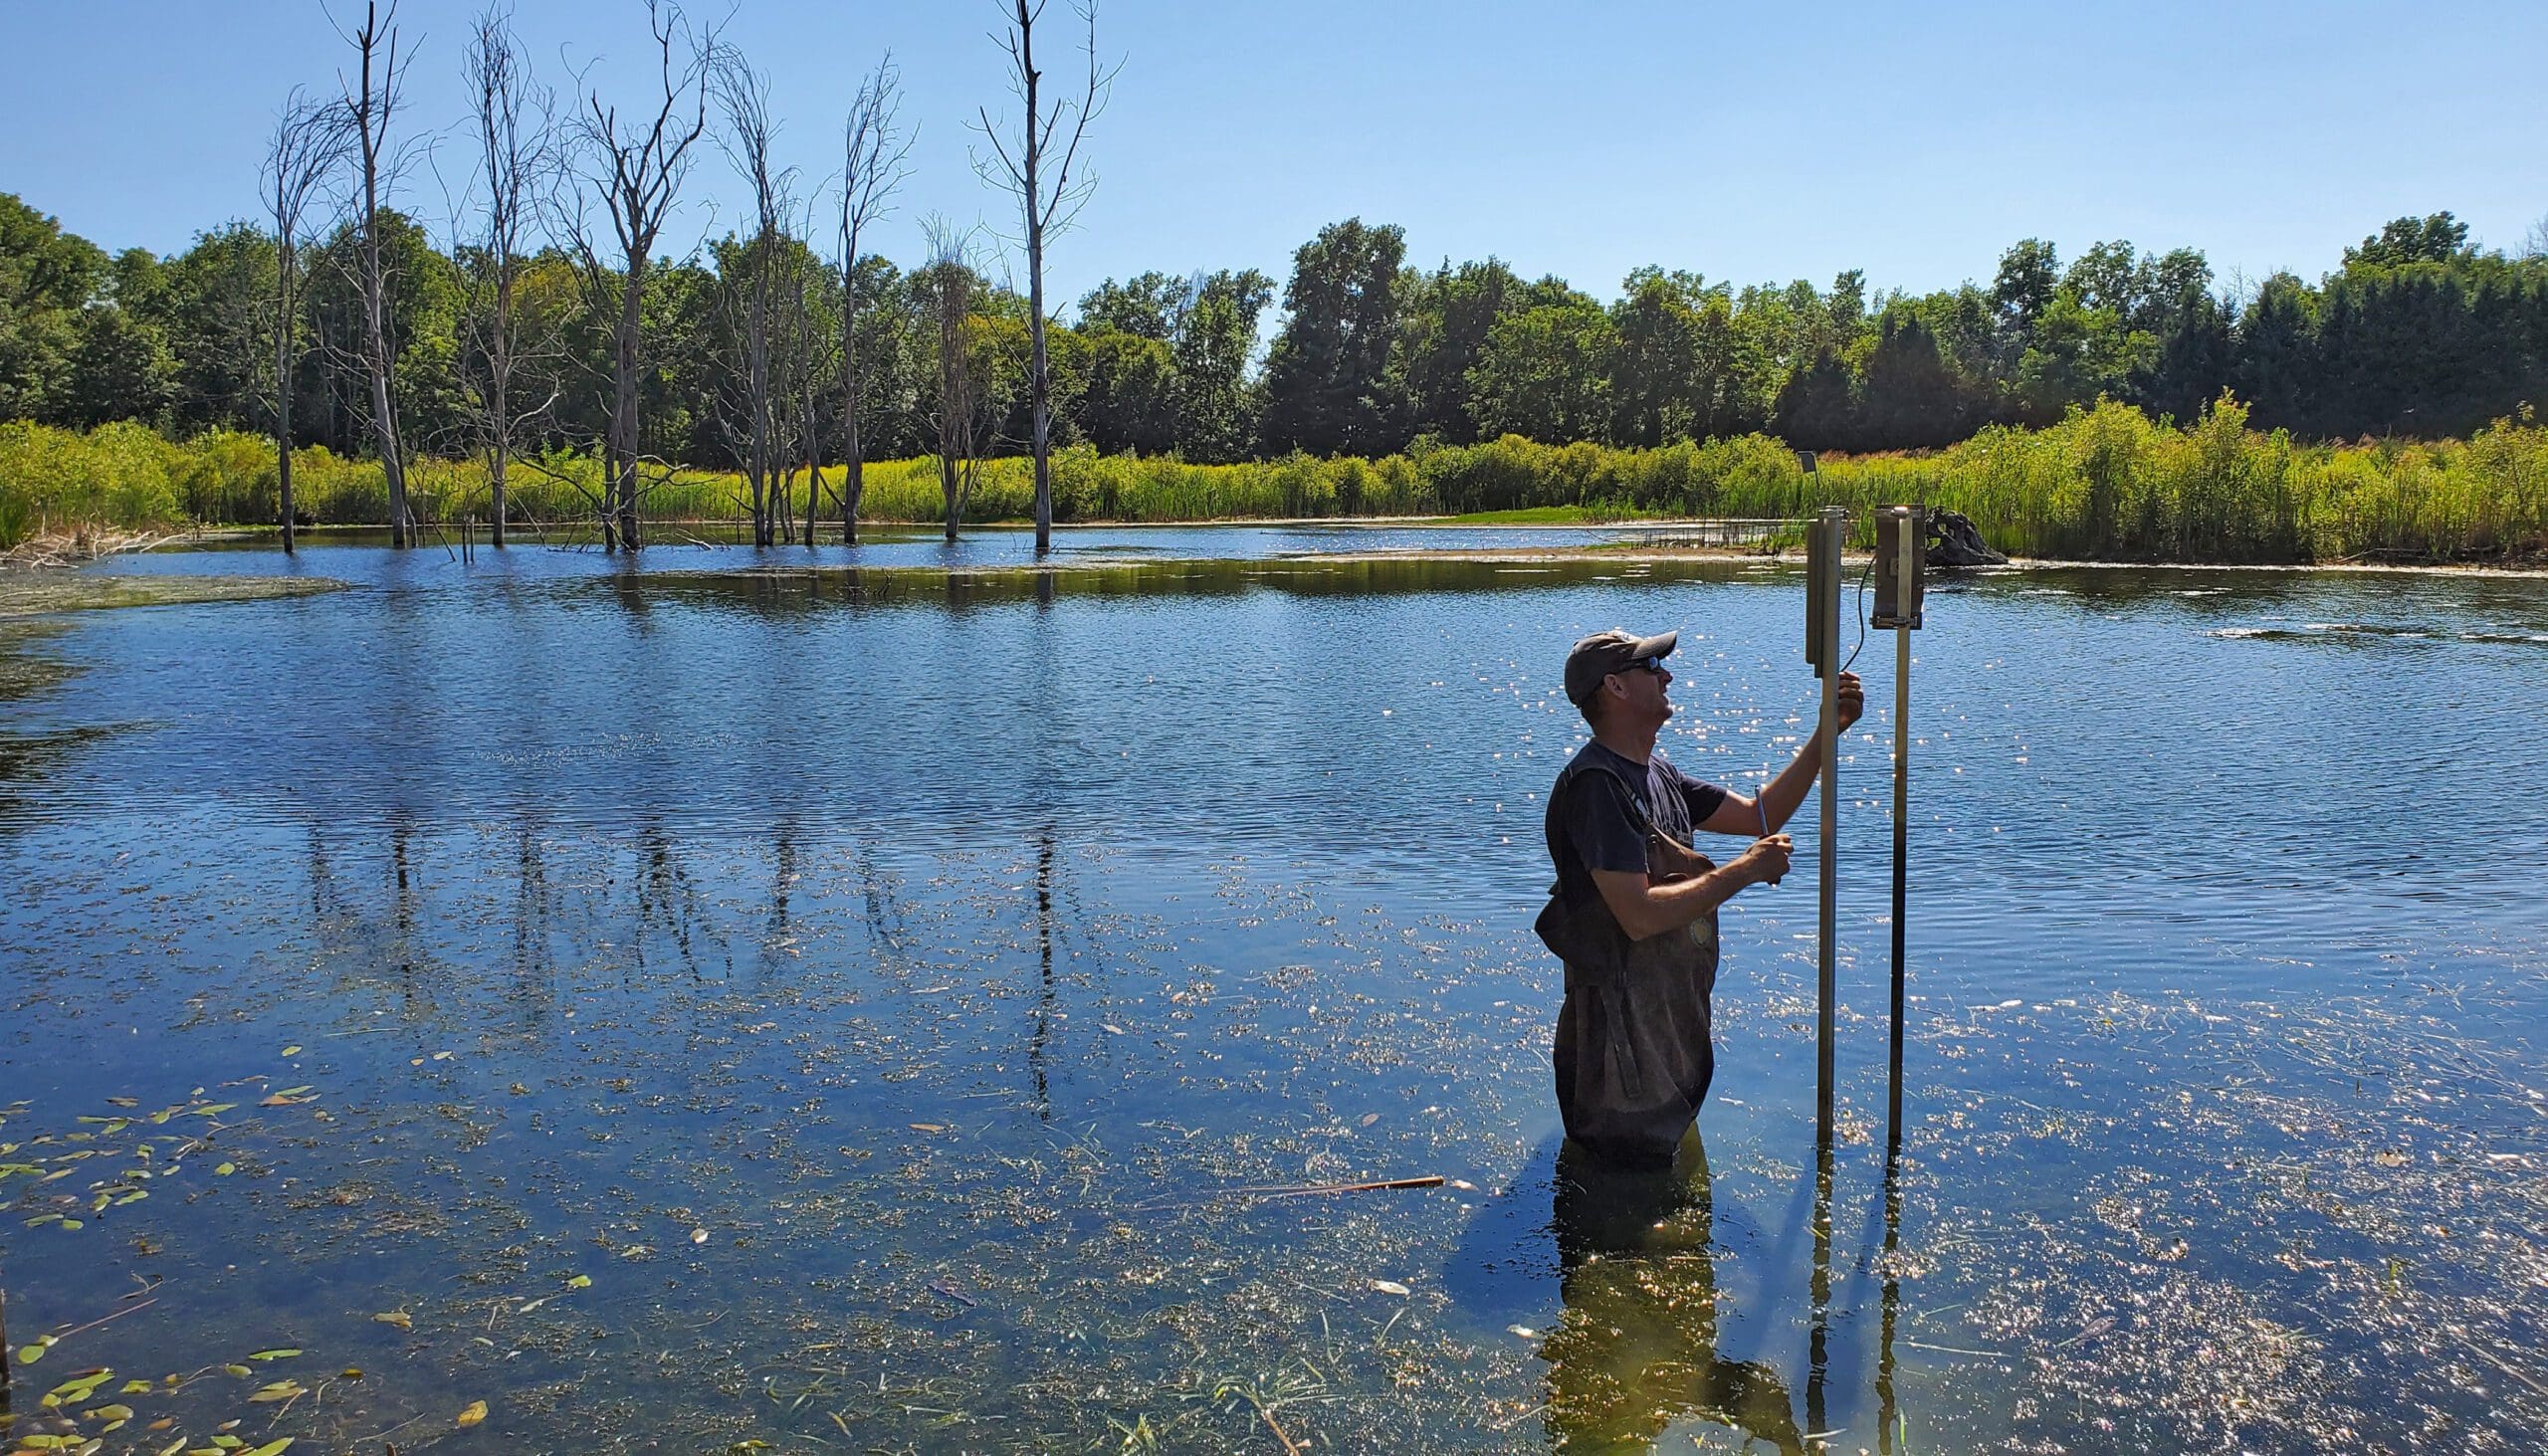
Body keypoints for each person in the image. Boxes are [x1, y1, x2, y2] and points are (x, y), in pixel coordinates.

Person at [1536, 628, 1862, 1164]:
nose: (1667, 676)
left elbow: (1760, 816)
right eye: (1651, 668)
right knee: (1622, 1183)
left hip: (1665, 1026)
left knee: (1662, 1176)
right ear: (1615, 687)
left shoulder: (1658, 773)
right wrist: (1745, 871)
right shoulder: (1597, 788)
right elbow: (1639, 916)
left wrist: (1826, 734)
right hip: (1619, 1049)